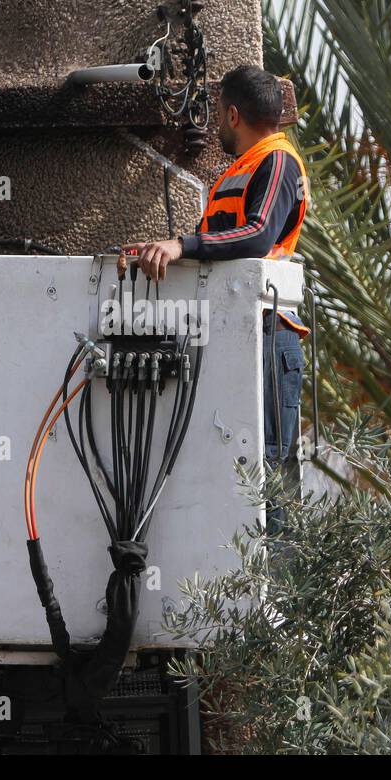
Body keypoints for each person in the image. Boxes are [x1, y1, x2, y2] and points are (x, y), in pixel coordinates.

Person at [122, 64, 308, 535]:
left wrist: (183, 245)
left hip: (268, 333)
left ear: (232, 113)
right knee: (241, 465)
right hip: (237, 332)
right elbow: (219, 244)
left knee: (270, 467)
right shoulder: (245, 166)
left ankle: (279, 597)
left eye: (219, 116)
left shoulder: (278, 160)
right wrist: (160, 252)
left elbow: (259, 236)